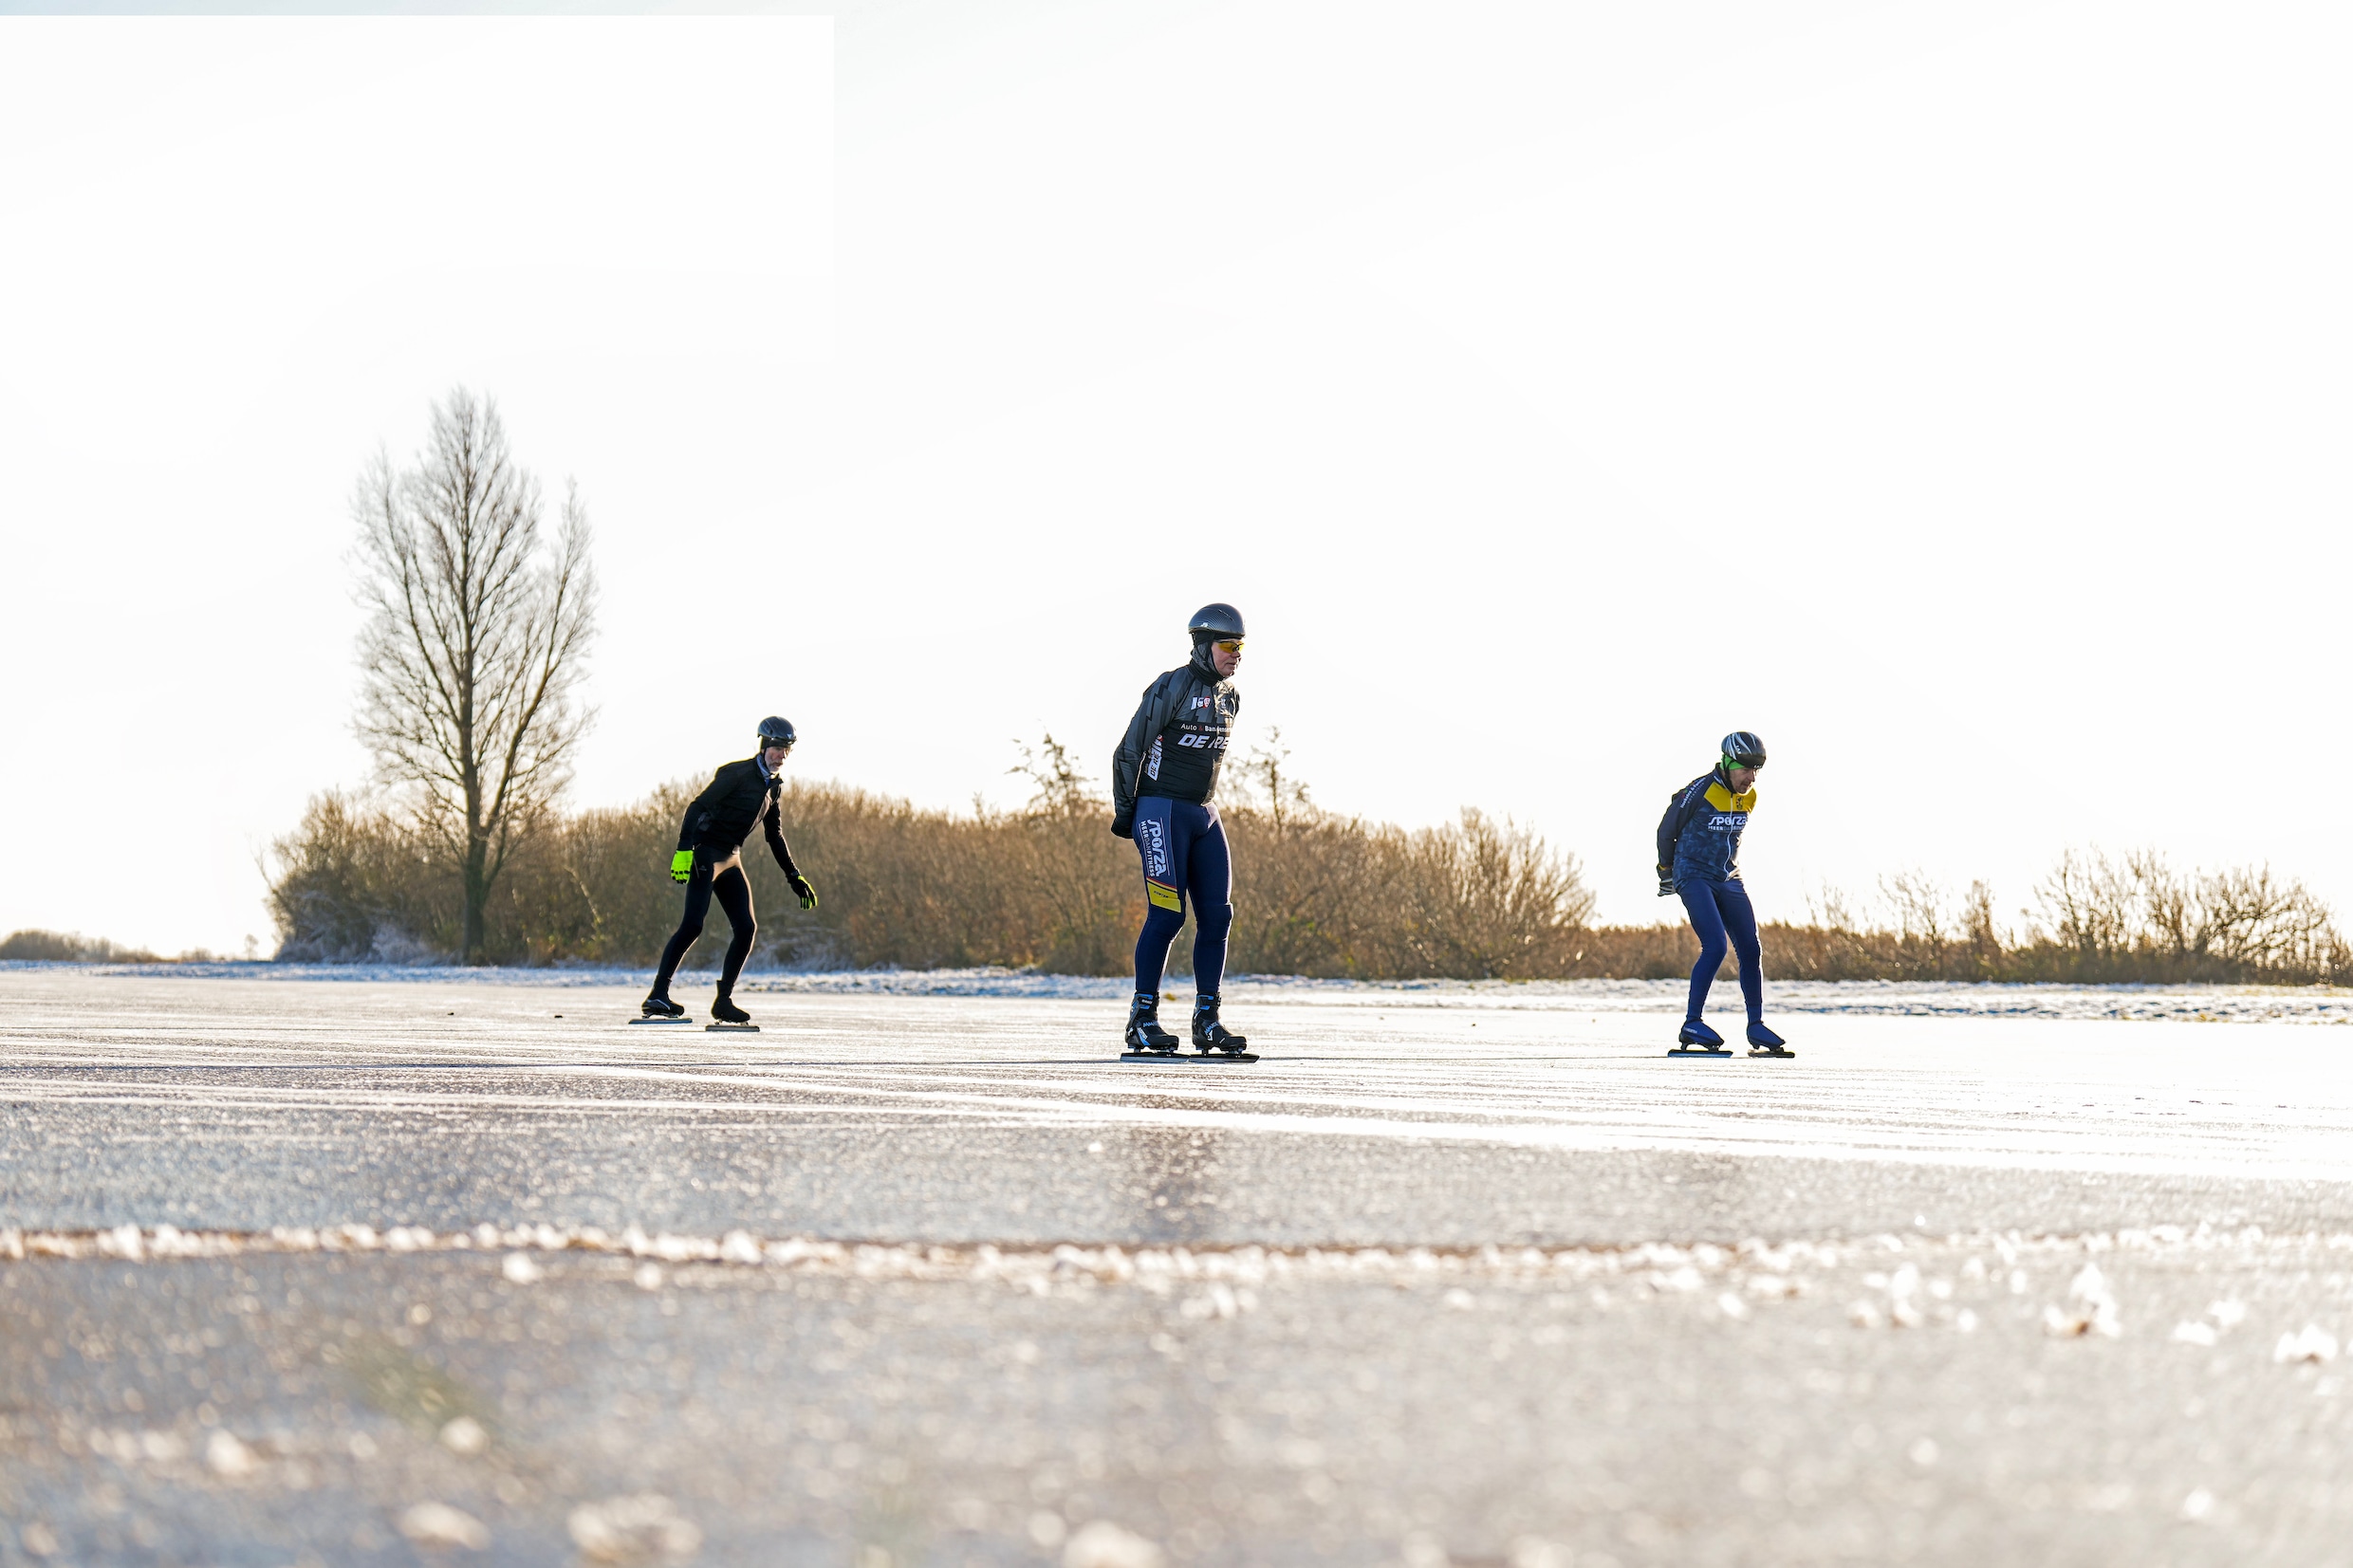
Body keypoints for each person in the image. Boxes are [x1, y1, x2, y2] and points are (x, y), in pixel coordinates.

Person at [1110, 604, 1250, 1054]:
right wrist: (1128, 814)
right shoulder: (1170, 686)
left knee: (1218, 916)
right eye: (1228, 645)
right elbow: (1128, 751)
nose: (1236, 654)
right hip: (1160, 811)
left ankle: (1206, 1019)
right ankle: (1142, 1017)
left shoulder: (1231, 696)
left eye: (1240, 646)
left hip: (1203, 813)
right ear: (1202, 646)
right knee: (1168, 915)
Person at [641, 716, 819, 1024]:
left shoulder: (773, 787)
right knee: (693, 925)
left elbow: (773, 835)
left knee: (746, 928)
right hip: (707, 853)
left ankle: (723, 1001)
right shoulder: (737, 774)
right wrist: (684, 849)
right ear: (764, 746)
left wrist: (794, 875)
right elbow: (697, 806)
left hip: (731, 858)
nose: (782, 756)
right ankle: (658, 994)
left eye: (786, 750)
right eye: (777, 748)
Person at [1656, 731, 1791, 1057]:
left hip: (1728, 877)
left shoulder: (1750, 797)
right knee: (1715, 945)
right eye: (1745, 769)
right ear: (1728, 763)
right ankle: (1692, 1022)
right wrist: (1665, 872)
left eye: (1756, 770)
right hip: (1692, 875)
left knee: (1750, 946)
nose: (1751, 777)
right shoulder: (1700, 790)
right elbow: (1666, 829)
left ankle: (1756, 1024)